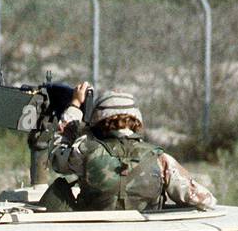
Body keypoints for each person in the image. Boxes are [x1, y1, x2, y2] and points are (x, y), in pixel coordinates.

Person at [43, 83, 216, 212]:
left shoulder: (84, 151)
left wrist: (74, 107)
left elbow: (56, 157)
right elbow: (204, 200)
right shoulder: (159, 159)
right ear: (136, 120)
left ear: (97, 119)